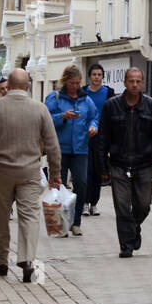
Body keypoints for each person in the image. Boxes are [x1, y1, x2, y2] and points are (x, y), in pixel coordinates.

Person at [0, 68, 62, 282]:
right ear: (28, 86)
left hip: (1, 170)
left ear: (9, 85)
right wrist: (55, 174)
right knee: (29, 216)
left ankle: (2, 260)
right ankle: (27, 259)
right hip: (30, 172)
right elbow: (53, 145)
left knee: (1, 216)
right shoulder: (40, 109)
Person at [97, 67, 152, 258]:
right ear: (125, 83)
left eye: (138, 81)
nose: (135, 84)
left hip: (144, 164)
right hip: (118, 164)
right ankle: (126, 246)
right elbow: (102, 139)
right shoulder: (111, 106)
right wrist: (103, 167)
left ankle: (134, 227)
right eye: (131, 81)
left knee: (143, 205)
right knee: (121, 206)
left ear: (143, 83)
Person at [44, 64, 98, 237]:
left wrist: (93, 127)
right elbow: (46, 120)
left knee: (81, 183)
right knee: (58, 184)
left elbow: (94, 117)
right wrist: (63, 117)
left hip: (81, 148)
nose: (75, 86)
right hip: (60, 148)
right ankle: (59, 222)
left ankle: (76, 222)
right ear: (65, 81)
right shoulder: (56, 97)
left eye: (78, 83)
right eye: (72, 83)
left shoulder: (86, 100)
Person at [81, 64, 116, 217]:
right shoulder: (82, 92)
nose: (96, 77)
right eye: (94, 74)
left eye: (99, 74)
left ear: (103, 77)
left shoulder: (109, 92)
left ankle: (94, 203)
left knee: (98, 170)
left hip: (103, 137)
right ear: (90, 76)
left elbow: (112, 114)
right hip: (85, 135)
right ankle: (84, 203)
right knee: (85, 170)